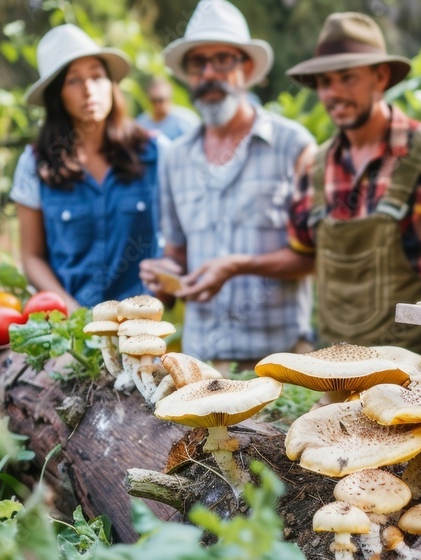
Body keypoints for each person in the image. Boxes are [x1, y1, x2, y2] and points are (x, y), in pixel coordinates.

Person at [177, 12, 421, 376]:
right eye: (323, 82)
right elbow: (302, 256)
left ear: (381, 76)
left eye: (347, 78)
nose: (333, 93)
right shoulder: (313, 167)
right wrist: (235, 265)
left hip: (420, 383)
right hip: (337, 384)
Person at [139, 0, 316, 372]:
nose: (209, 75)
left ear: (246, 68)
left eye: (222, 60)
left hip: (283, 361)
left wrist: (238, 266)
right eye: (197, 64)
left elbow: (314, 257)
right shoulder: (175, 158)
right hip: (202, 364)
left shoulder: (293, 146)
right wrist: (163, 276)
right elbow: (177, 253)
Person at [11, 24, 163, 310]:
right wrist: (72, 311)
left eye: (97, 76)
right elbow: (32, 257)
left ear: (111, 84)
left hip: (143, 326)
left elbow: (176, 242)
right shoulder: (35, 163)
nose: (89, 89)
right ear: (57, 95)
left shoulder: (153, 152)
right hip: (72, 328)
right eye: (73, 81)